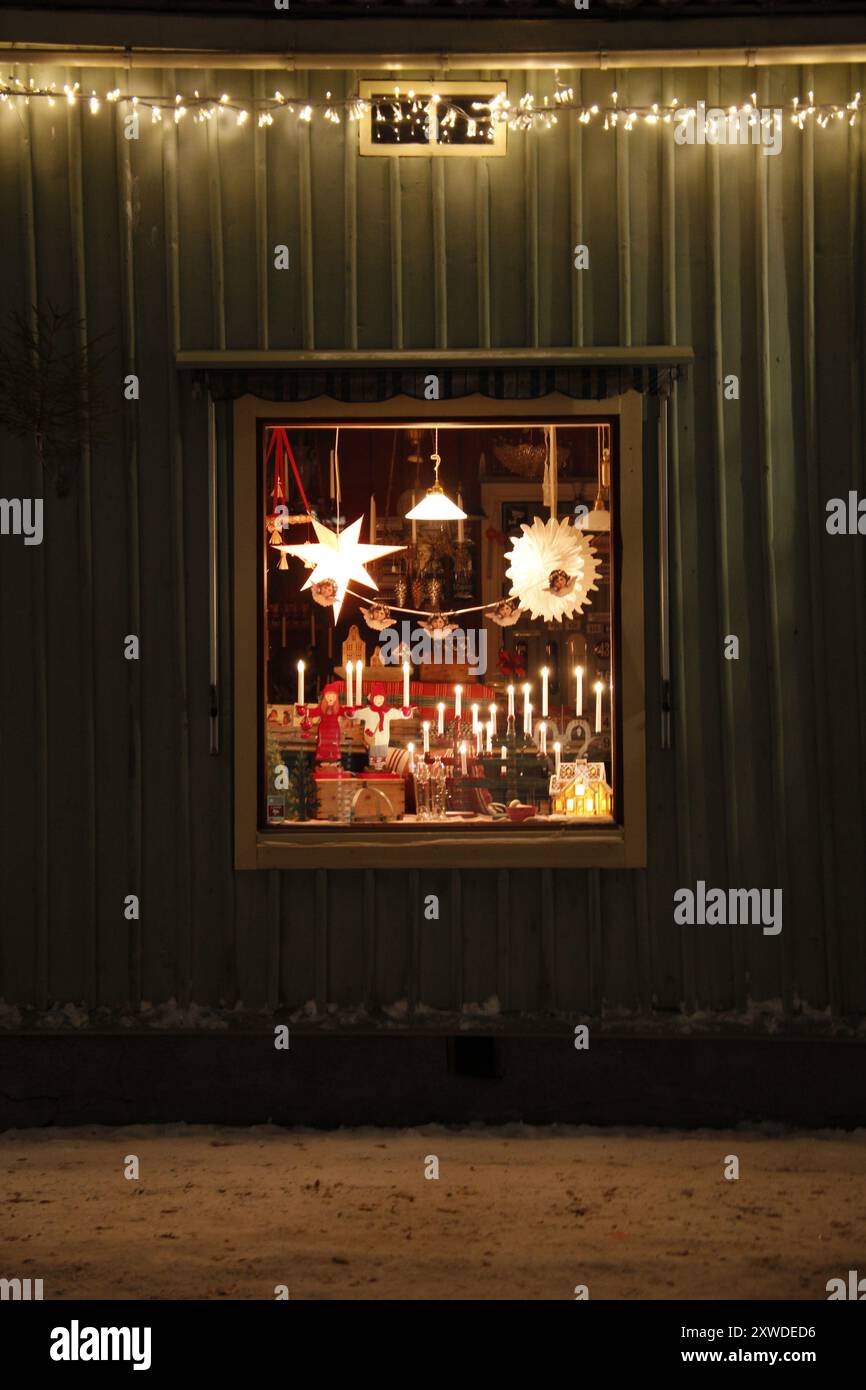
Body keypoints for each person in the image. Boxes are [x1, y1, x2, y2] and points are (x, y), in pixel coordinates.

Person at [352, 682, 415, 770]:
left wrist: (405, 713)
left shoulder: (388, 711)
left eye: (381, 698)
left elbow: (400, 714)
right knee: (373, 754)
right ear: (372, 698)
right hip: (371, 739)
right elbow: (355, 714)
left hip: (383, 739)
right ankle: (374, 768)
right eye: (376, 698)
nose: (379, 700)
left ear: (384, 699)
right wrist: (351, 713)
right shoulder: (367, 711)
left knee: (382, 754)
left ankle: (380, 768)